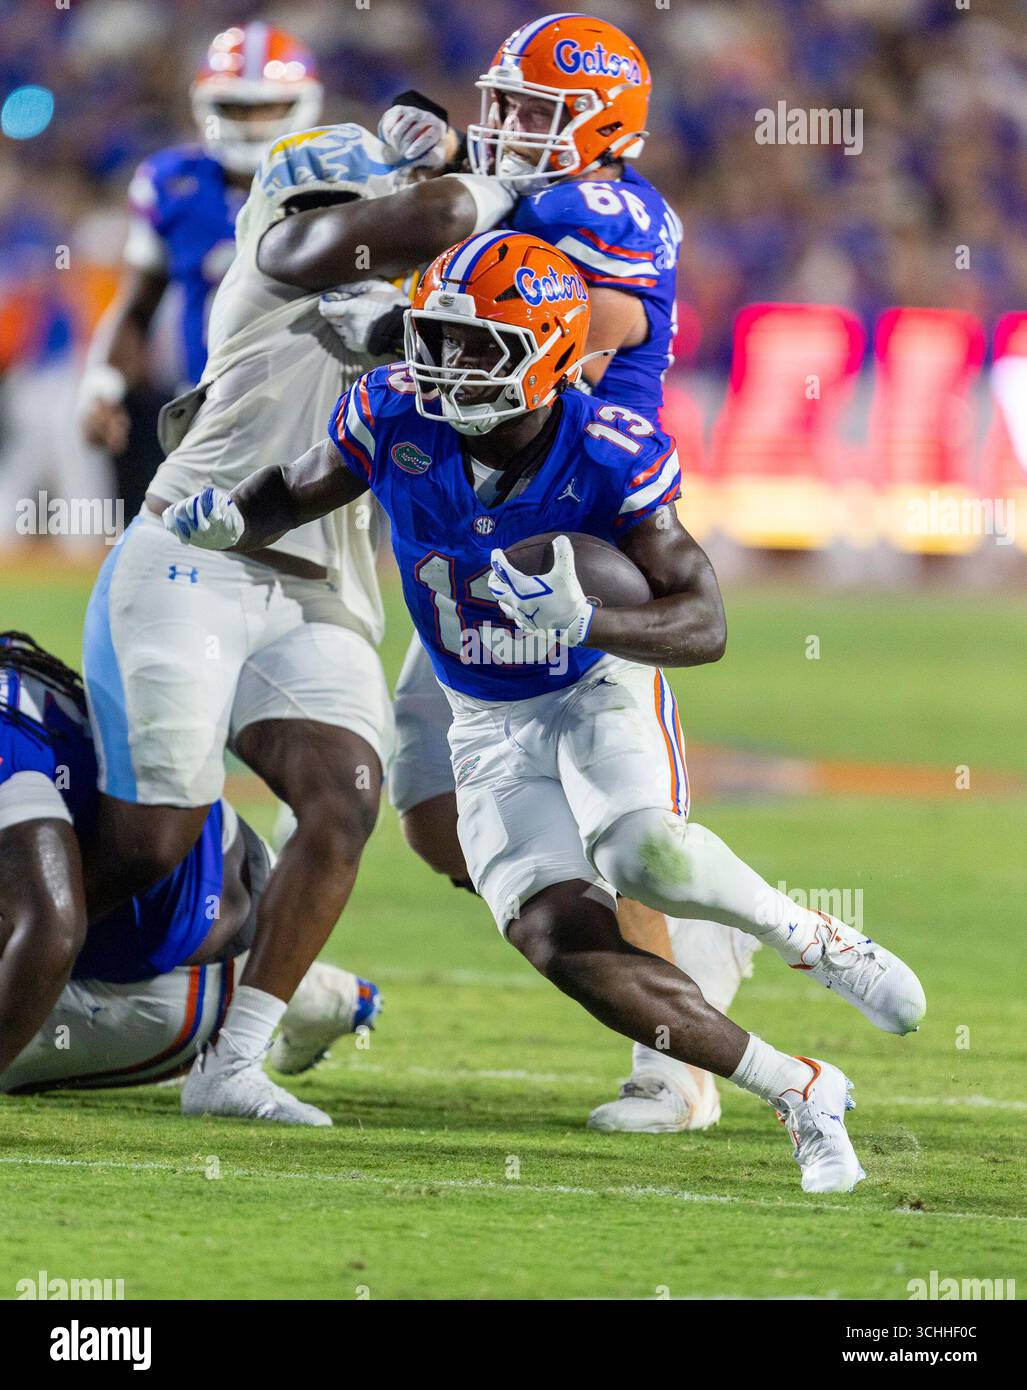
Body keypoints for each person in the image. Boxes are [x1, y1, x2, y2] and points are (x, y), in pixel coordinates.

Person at [164, 231, 927, 1193]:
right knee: (557, 938)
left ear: (549, 353)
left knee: (638, 851)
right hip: (480, 714)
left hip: (592, 684)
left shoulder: (612, 449)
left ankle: (813, 940)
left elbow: (704, 623)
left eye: (476, 346)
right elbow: (302, 486)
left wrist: (593, 617)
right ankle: (796, 1087)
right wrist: (234, 514)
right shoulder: (395, 409)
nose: (445, 366)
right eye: (437, 340)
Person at [354, 13, 756, 1134]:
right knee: (437, 818)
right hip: (472, 511)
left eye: (540, 114)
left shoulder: (605, 208)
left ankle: (676, 1067)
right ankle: (693, 932)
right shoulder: (515, 190)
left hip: (584, 513)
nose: (510, 130)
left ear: (605, 127)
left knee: (613, 815)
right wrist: (439, 175)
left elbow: (578, 319)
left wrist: (397, 320)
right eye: (508, 106)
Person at [80, 116, 514, 1124]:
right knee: (149, 838)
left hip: (319, 589)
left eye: (350, 206)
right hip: (192, 562)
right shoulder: (276, 263)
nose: (338, 226)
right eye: (320, 207)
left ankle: (231, 1064)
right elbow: (419, 237)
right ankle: (49, 943)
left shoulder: (417, 302)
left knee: (344, 800)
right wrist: (504, 181)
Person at [0, 632, 378, 1103]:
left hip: (182, 966)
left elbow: (51, 929)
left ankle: (280, 993)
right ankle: (310, 991)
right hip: (221, 870)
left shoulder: (7, 758)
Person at [79, 20, 324, 496]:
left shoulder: (339, 182)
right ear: (205, 104)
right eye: (235, 106)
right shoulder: (172, 184)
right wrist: (102, 386)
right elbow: (138, 306)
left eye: (267, 106)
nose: (252, 123)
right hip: (204, 412)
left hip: (316, 414)